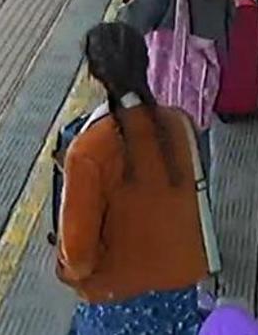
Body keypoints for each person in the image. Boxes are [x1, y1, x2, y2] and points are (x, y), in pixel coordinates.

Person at [57, 21, 208, 334]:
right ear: (146, 63)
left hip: (114, 306)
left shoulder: (87, 151)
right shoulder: (180, 126)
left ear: (95, 76)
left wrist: (64, 269)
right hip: (181, 299)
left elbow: (79, 257)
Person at [119, 0, 234, 168]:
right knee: (197, 157)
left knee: (160, 162)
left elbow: (133, 22)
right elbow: (230, 18)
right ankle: (199, 207)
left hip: (168, 81)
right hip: (204, 78)